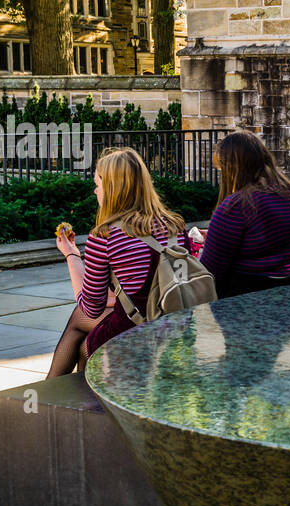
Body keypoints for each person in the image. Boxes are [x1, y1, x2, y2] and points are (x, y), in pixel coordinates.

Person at [47, 147, 189, 378]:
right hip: (174, 323)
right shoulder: (175, 226)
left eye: (98, 184)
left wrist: (71, 255)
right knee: (85, 341)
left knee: (82, 333)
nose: (95, 191)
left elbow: (90, 308)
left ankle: (48, 397)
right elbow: (170, 281)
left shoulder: (106, 236)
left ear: (113, 189)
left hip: (137, 328)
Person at [195, 131, 290, 298]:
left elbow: (209, 274)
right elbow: (276, 241)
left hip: (248, 302)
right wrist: (217, 236)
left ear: (231, 169)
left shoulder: (236, 207)